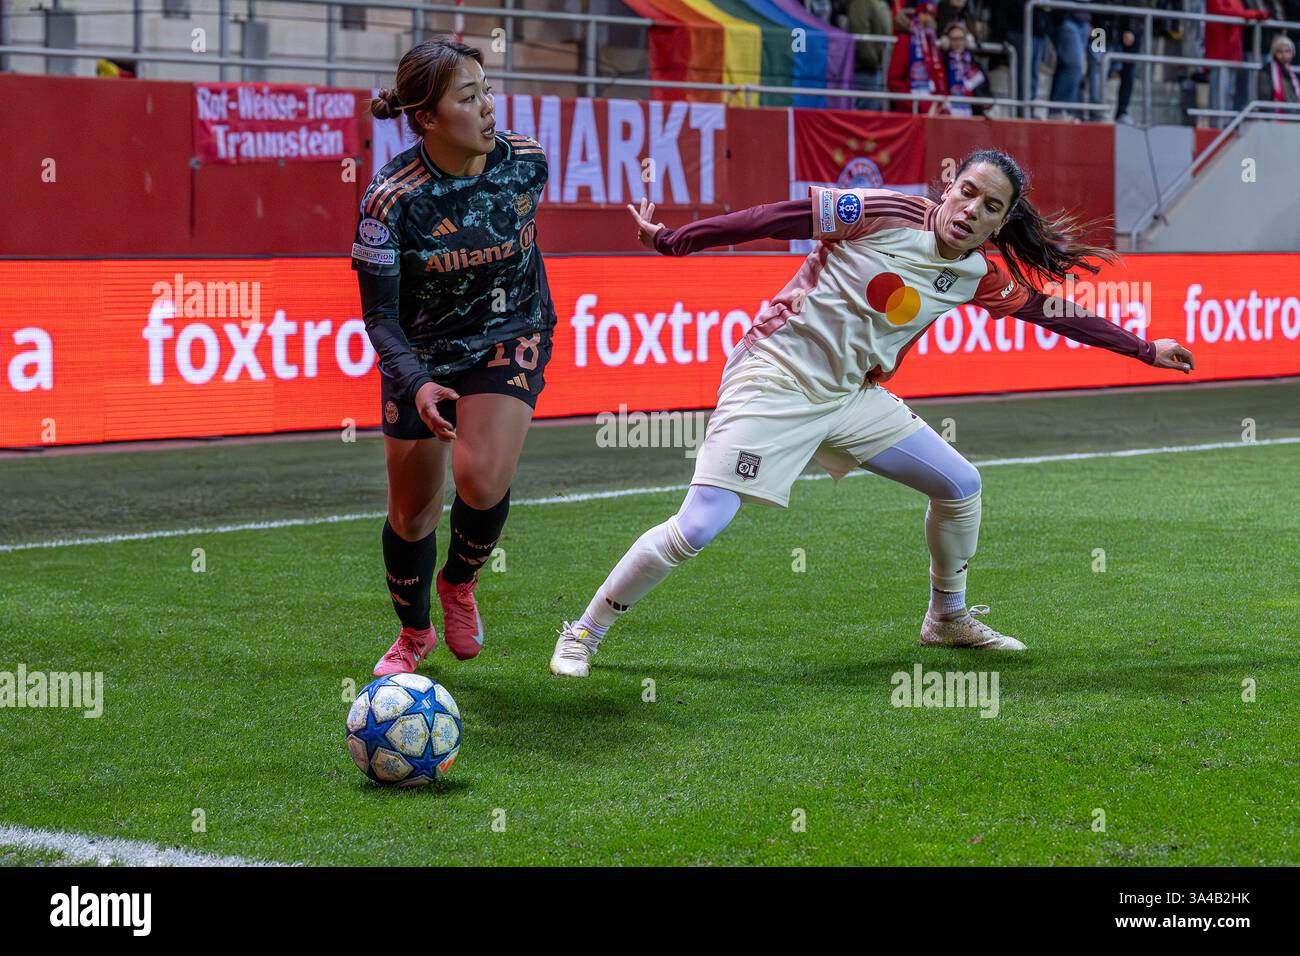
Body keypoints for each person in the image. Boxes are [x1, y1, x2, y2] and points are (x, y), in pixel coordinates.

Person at [549, 149, 1195, 677]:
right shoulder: (883, 211)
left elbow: (1055, 313)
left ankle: (946, 619)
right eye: (968, 192)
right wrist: (676, 240)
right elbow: (783, 215)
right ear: (950, 186)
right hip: (775, 376)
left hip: (850, 397)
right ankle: (584, 630)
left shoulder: (976, 273)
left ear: (1000, 224)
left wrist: (1143, 348)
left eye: (990, 207)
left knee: (962, 486)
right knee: (700, 525)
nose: (972, 211)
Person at [354, 37, 557, 675]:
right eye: (468, 97)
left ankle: (460, 584)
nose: (488, 107)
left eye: (487, 90)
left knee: (481, 476)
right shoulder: (390, 202)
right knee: (411, 513)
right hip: (421, 355)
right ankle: (415, 636)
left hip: (511, 329)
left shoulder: (528, 162)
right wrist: (414, 382)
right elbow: (379, 318)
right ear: (426, 118)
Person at [887, 2, 948, 112]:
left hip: (933, 112)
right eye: (925, 13)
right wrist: (918, 105)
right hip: (910, 112)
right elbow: (894, 80)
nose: (928, 19)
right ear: (917, 14)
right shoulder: (906, 40)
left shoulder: (932, 44)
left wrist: (941, 104)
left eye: (932, 15)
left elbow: (938, 76)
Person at [847, 0, 895, 110]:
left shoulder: (879, 3)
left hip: (876, 69)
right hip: (866, 71)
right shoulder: (861, 3)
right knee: (865, 118)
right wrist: (873, 61)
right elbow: (859, 33)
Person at [943, 22, 992, 115]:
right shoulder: (942, 63)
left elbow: (984, 92)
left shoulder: (975, 66)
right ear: (947, 41)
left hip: (972, 115)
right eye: (954, 39)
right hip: (947, 115)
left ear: (966, 40)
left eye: (961, 39)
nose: (958, 42)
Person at [1258, 33, 1300, 102]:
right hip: (1276, 111)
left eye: (1287, 51)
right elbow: (1265, 97)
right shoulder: (1266, 72)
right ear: (1274, 53)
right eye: (1280, 52)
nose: (1284, 55)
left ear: (1292, 53)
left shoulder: (1294, 73)